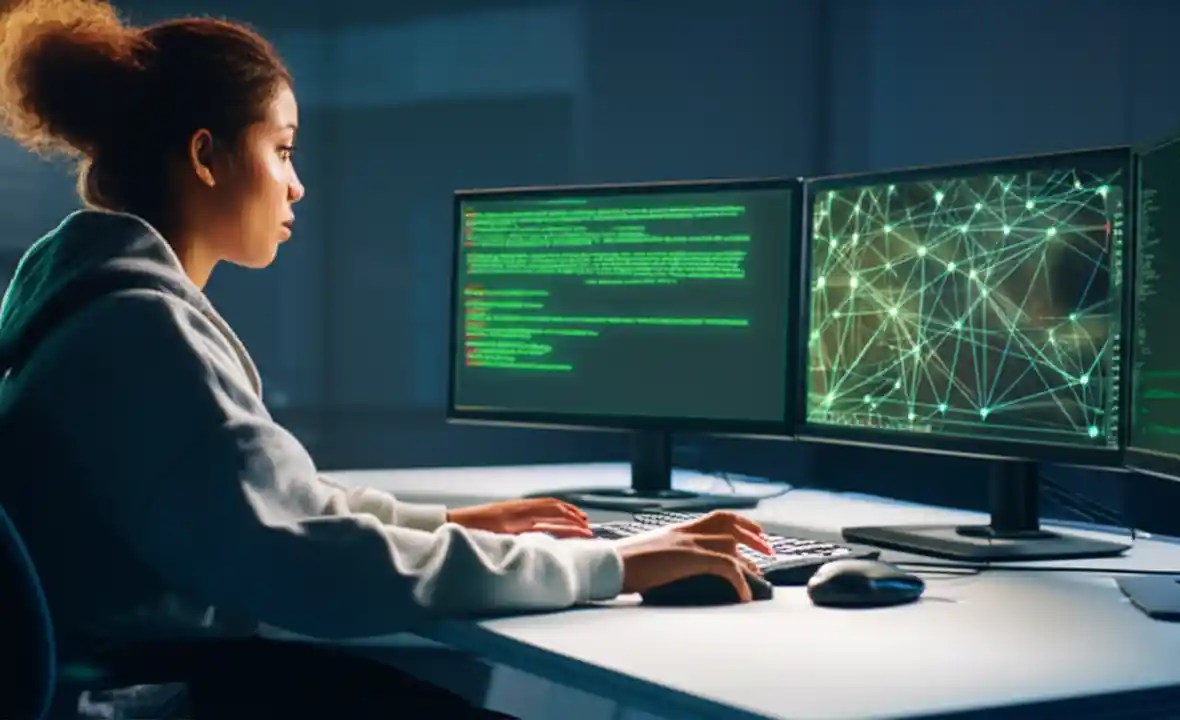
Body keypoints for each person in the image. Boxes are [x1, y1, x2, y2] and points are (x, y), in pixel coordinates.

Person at [0, 1, 772, 717]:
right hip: (142, 696)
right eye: (282, 150)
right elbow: (306, 564)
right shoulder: (139, 333)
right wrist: (613, 569)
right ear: (207, 156)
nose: (297, 186)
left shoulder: (92, 311)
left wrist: (447, 523)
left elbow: (274, 503)